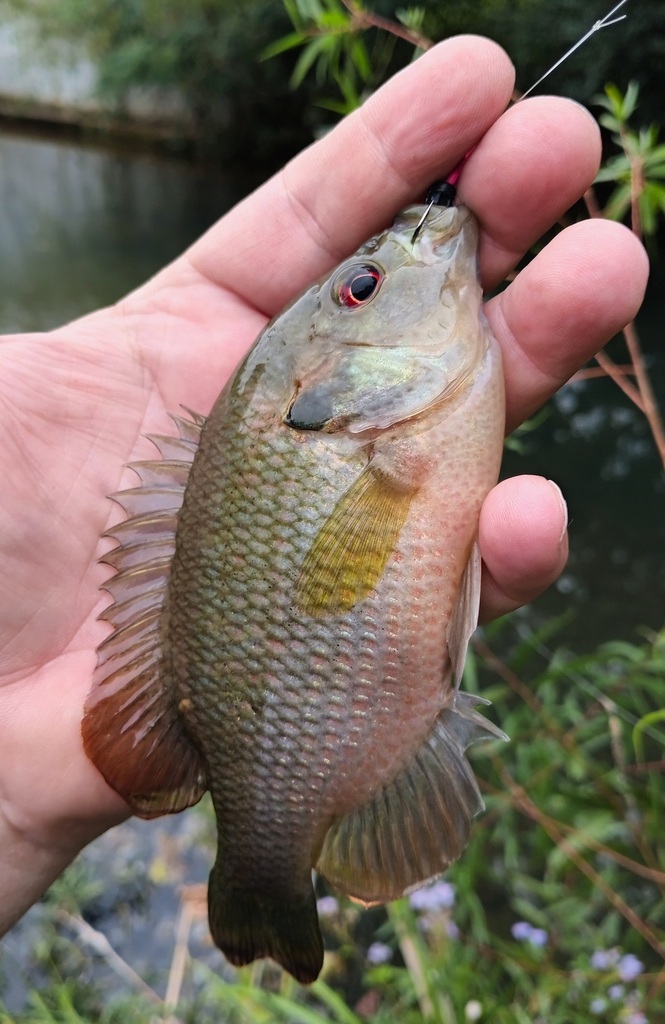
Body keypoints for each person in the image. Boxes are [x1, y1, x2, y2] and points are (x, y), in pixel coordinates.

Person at [0, 35, 648, 937]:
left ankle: (267, 864)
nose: (389, 271)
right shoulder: (345, 432)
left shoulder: (358, 424)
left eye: (358, 284)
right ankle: (266, 866)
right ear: (316, 392)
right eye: (363, 290)